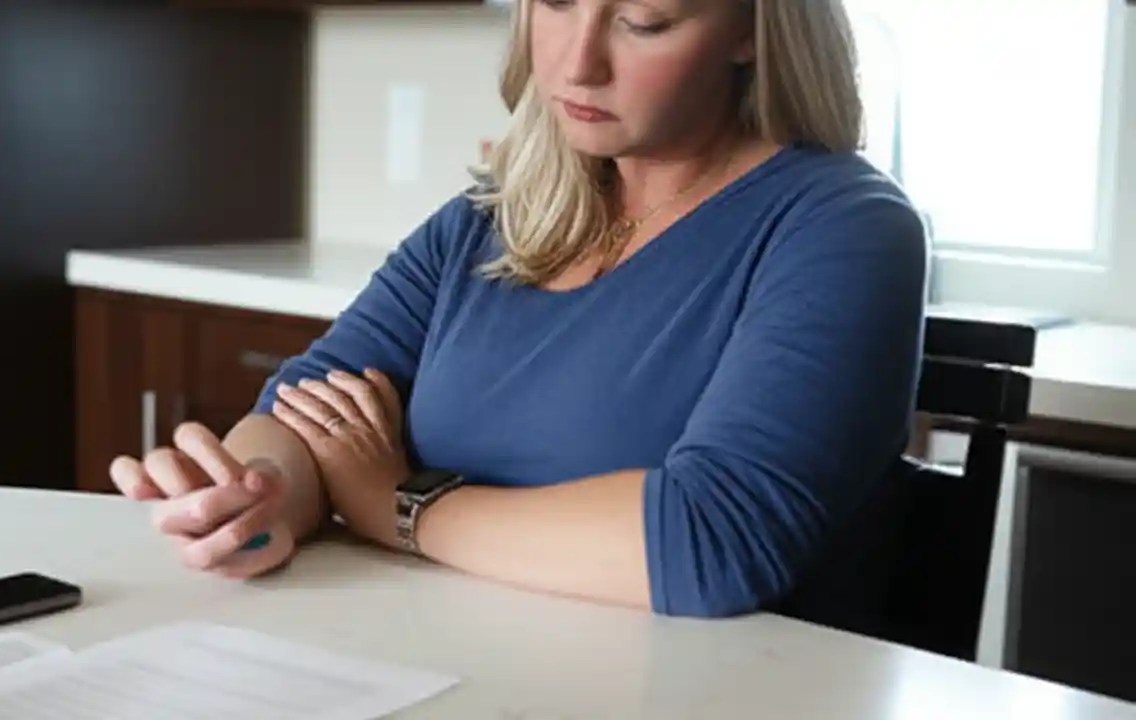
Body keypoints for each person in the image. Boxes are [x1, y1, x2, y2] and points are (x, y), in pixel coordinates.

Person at [109, 0, 927, 619]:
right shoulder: (490, 216)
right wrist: (255, 495)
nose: (577, 66)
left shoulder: (843, 228)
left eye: (643, 22)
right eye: (557, 1)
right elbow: (308, 405)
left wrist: (400, 508)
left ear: (752, 30)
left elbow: (708, 543)